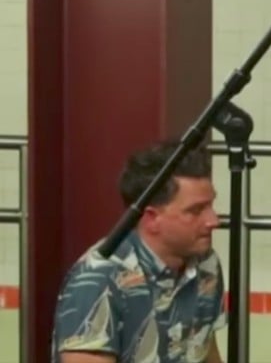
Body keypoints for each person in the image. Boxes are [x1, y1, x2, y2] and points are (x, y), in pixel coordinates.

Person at [51, 140, 225, 363]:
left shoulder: (206, 263)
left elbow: (204, 349)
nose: (213, 220)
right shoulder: (98, 280)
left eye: (210, 206)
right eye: (196, 210)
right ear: (151, 218)